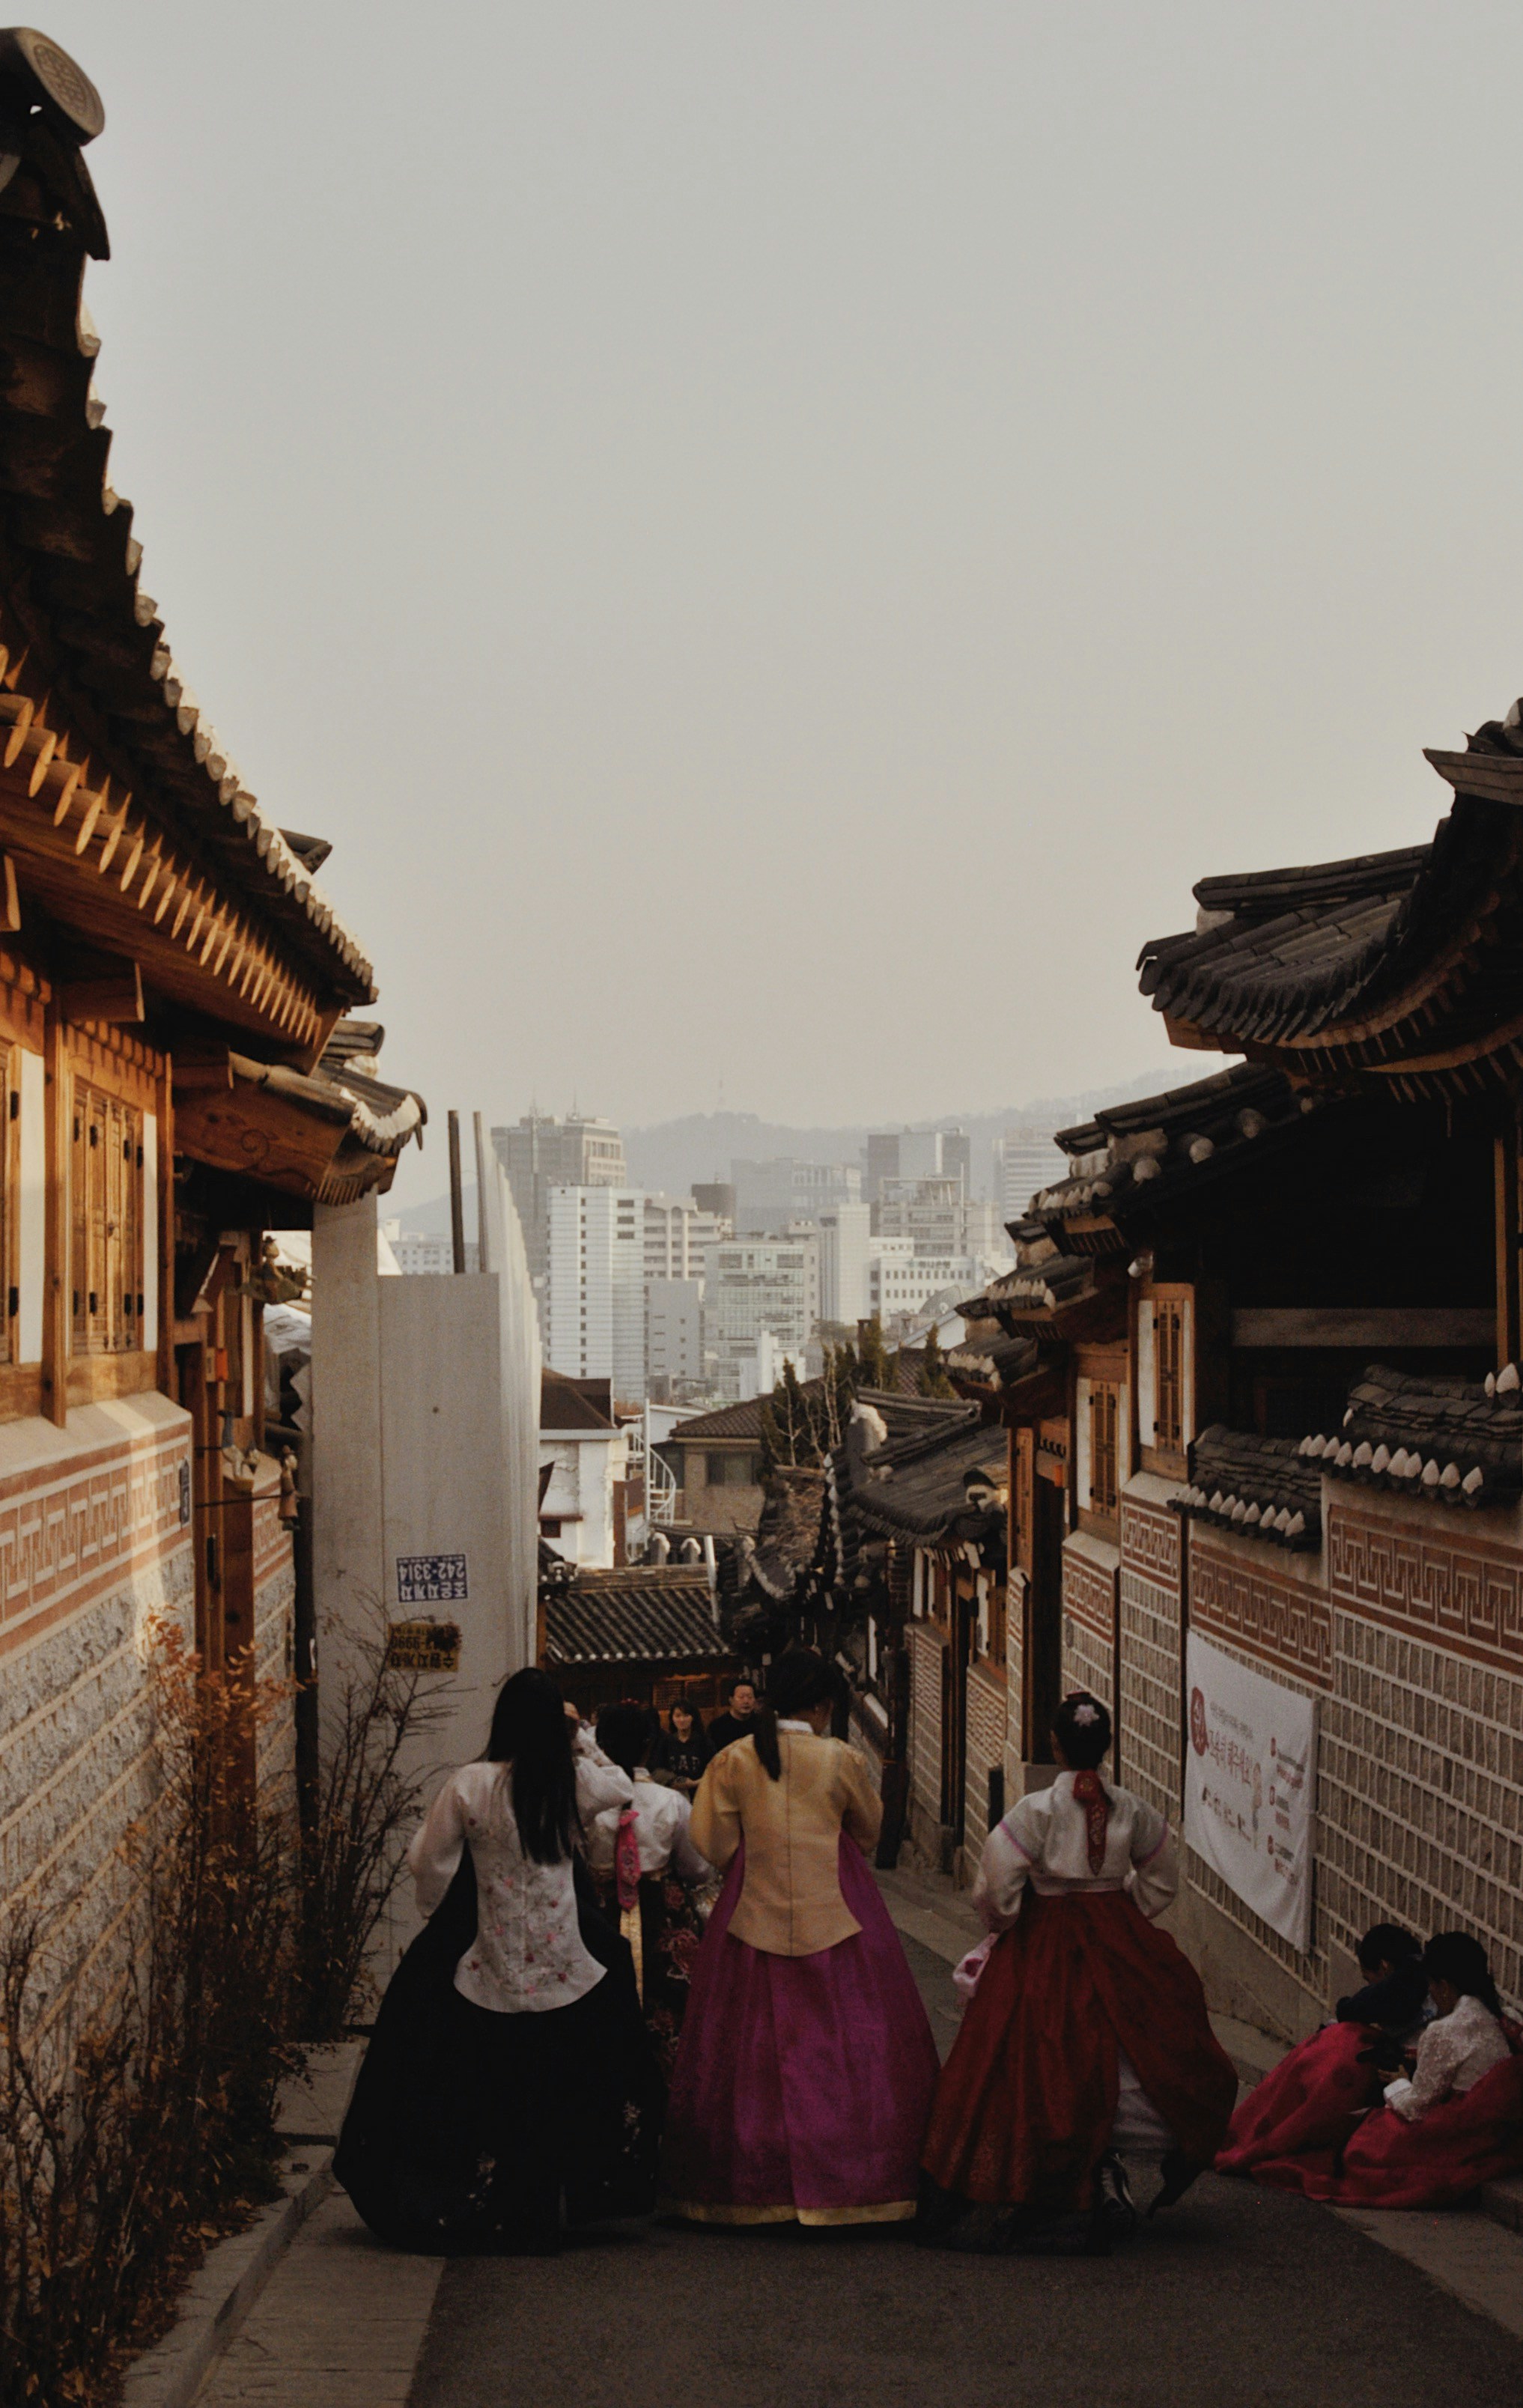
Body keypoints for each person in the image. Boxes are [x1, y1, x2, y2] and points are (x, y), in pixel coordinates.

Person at [333, 1668, 660, 2254]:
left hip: (489, 1956)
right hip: (565, 1959)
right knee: (563, 2080)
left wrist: (440, 1915)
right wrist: (582, 1738)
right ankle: (559, 2201)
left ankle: (489, 2200)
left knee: (478, 2081)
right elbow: (623, 1787)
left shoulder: (470, 1784)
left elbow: (426, 1860)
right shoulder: (573, 1779)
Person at [919, 1691, 1238, 2254]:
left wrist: (1006, 1922)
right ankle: (1107, 2161)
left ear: (1055, 1745)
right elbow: (1164, 1872)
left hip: (1046, 1936)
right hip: (1114, 1930)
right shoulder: (1132, 1808)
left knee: (1028, 2047)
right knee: (1131, 2038)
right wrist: (1127, 1909)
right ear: (1107, 1745)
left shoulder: (1036, 1810)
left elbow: (996, 1882)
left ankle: (1040, 2174)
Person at [660, 1647, 940, 2226]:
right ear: (822, 1704)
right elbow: (867, 1831)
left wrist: (750, 1857)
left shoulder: (734, 1759)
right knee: (854, 2033)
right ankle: (853, 2174)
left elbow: (708, 1839)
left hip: (751, 1906)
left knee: (744, 2040)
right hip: (838, 1905)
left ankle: (751, 2179)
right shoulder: (840, 1759)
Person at [1233, 1931, 1523, 2209]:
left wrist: (1398, 2083)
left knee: (1366, 2141)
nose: (1432, 1996)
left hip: (1453, 2128)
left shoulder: (1445, 2030)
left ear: (1444, 1986)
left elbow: (1416, 2107)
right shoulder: (1502, 2017)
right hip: (1490, 2129)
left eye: (1433, 1988)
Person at [1218, 1922, 1429, 2181]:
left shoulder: (1410, 1979)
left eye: (1370, 1979)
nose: (1371, 1985)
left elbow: (1356, 2008)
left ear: (1384, 1968)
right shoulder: (1414, 1978)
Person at [585, 1701, 714, 2075]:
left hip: (597, 1913)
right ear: (649, 1744)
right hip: (663, 1915)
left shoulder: (585, 1802)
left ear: (601, 1743)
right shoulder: (670, 1801)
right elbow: (697, 1870)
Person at [650, 1700, 711, 1796]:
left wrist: (694, 1783)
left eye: (686, 1716)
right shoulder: (666, 1742)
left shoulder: (704, 1741)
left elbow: (714, 1770)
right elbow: (658, 1770)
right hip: (672, 1795)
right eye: (678, 1716)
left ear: (693, 1718)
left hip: (700, 1794)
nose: (682, 1720)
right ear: (672, 1718)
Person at [703, 1676, 759, 1754]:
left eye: (750, 1697)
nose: (746, 1701)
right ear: (731, 1700)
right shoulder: (717, 1727)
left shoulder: (761, 1724)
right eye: (741, 1697)